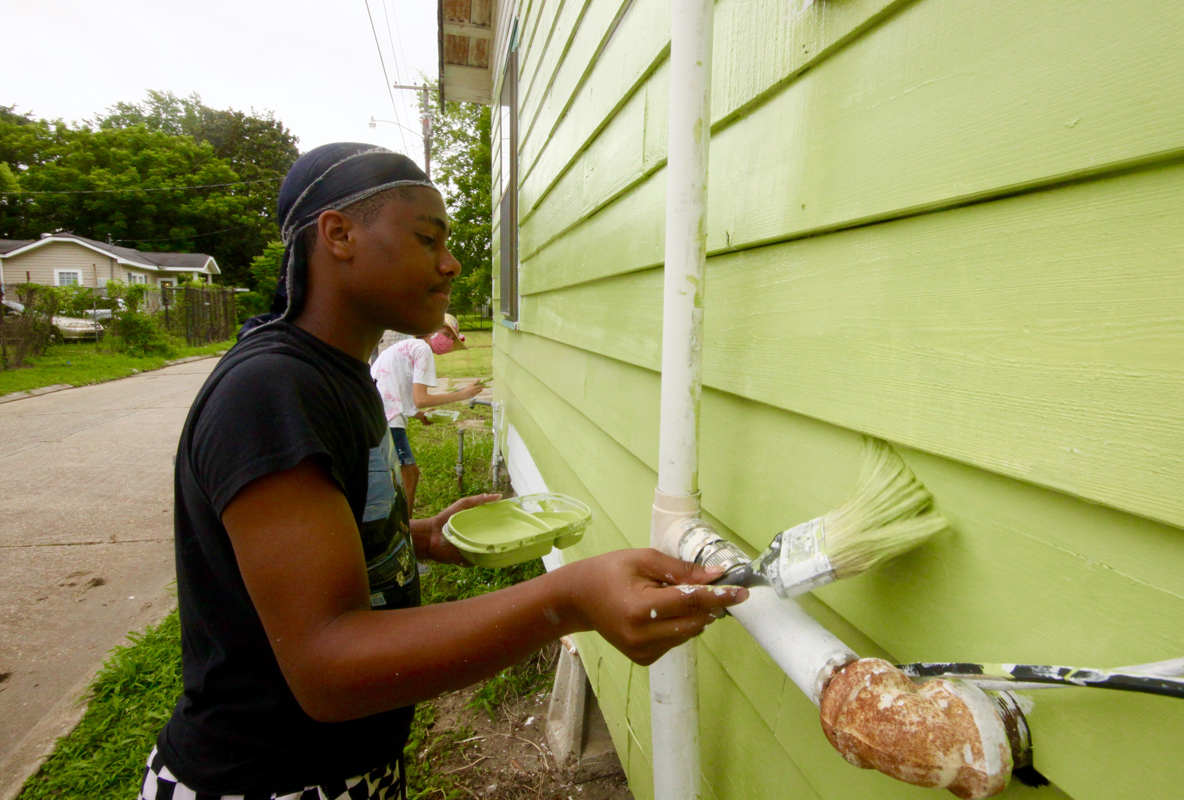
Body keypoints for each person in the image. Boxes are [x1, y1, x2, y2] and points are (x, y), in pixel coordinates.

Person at [142, 143, 746, 800]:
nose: (451, 262)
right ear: (338, 235)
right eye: (427, 238)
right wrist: (565, 600)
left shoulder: (337, 376)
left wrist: (423, 537)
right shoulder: (270, 391)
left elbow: (330, 546)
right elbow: (326, 662)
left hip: (345, 769)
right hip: (260, 783)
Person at [371, 314, 482, 514]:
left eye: (451, 337)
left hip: (376, 411)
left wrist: (419, 415)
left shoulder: (409, 347)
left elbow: (398, 390)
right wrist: (461, 394)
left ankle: (393, 519)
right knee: (409, 474)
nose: (448, 340)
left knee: (390, 474)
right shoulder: (422, 349)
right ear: (431, 330)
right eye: (446, 333)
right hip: (385, 416)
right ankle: (407, 528)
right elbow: (420, 399)